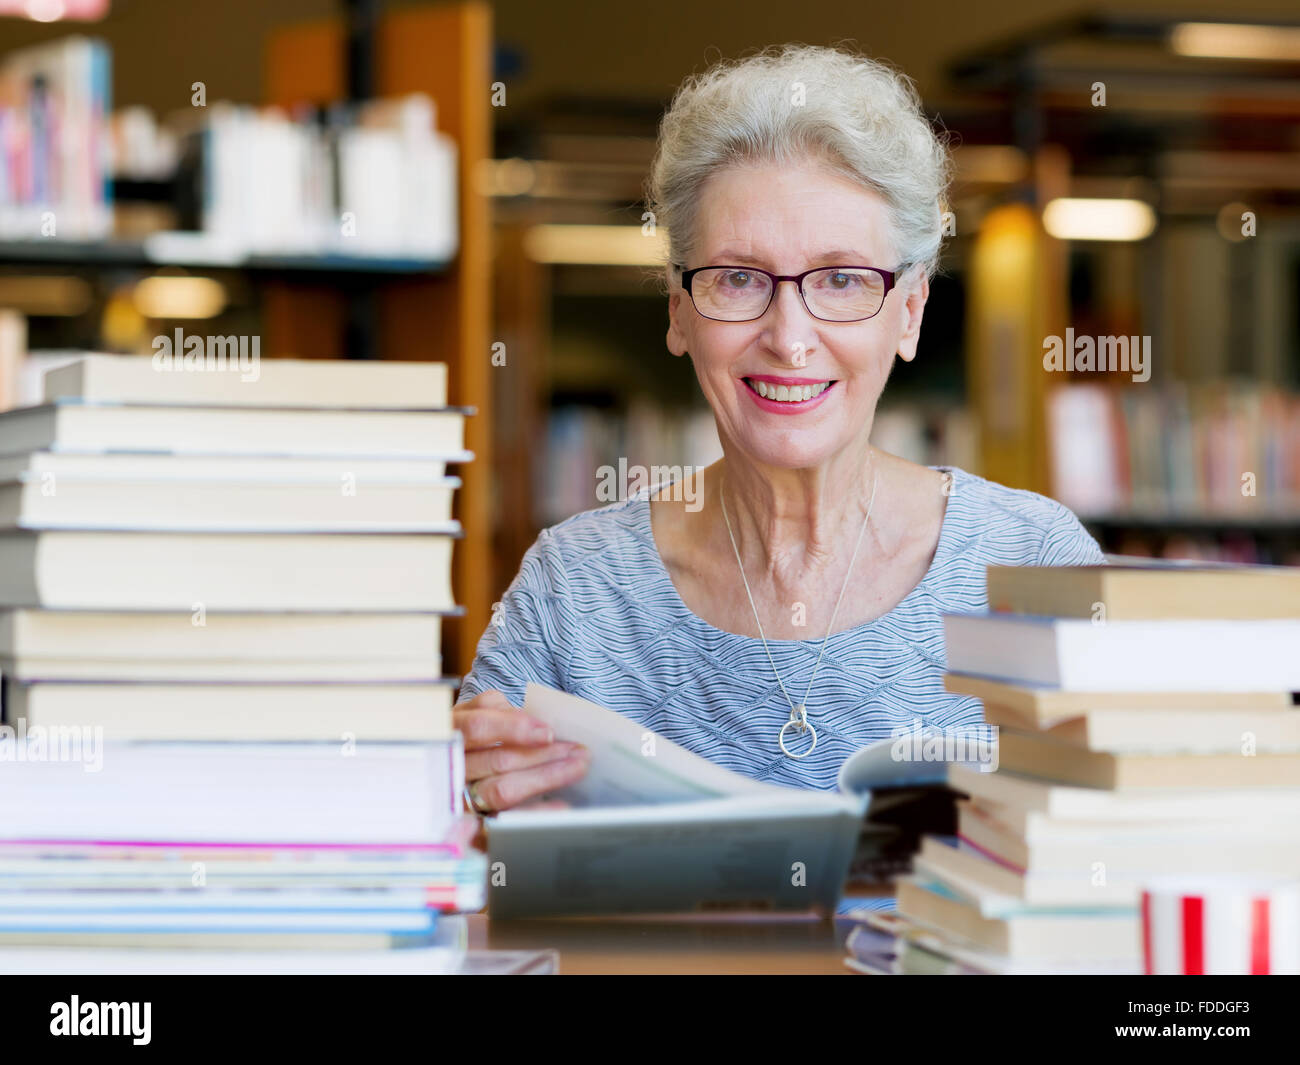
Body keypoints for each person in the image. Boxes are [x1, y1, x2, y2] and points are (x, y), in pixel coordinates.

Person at [455, 43, 1104, 813]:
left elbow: (1128, 858)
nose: (790, 336)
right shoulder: (575, 590)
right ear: (678, 310)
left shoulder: (1033, 564)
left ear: (910, 312)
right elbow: (457, 853)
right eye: (738, 278)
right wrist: (464, 788)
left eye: (841, 279)